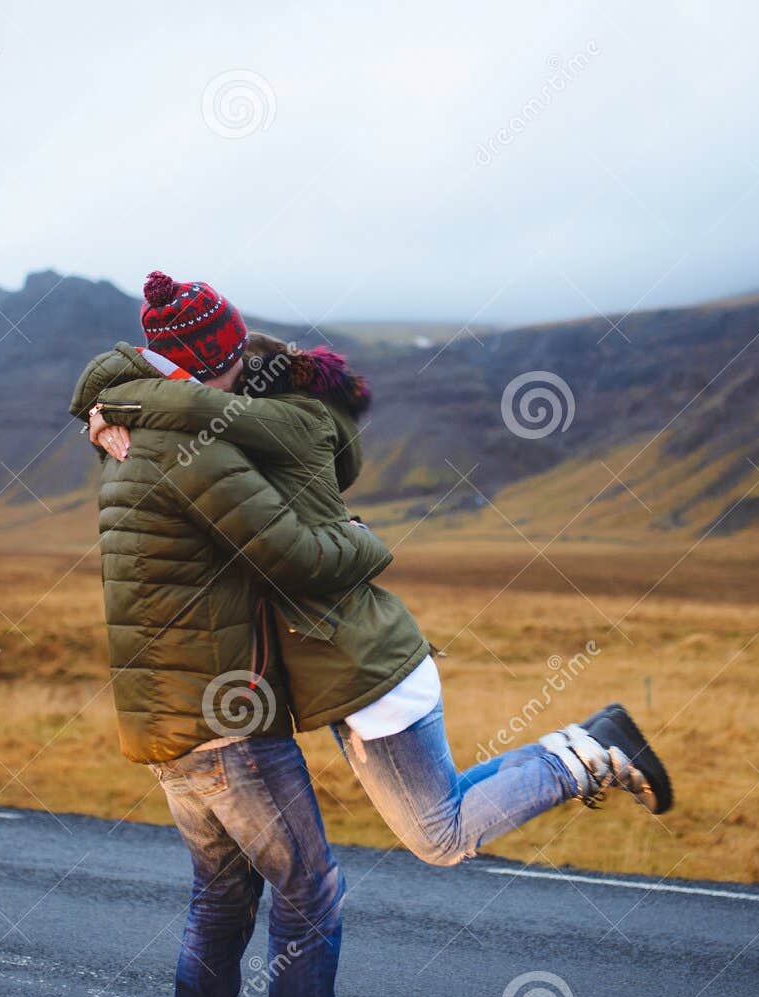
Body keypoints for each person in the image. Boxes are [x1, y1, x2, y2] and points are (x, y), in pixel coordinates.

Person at [86, 272, 674, 874]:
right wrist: (105, 407)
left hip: (365, 667)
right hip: (358, 670)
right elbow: (195, 405)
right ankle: (587, 743)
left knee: (439, 837)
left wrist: (120, 406)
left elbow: (194, 406)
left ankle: (588, 755)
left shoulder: (294, 423)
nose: (219, 386)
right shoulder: (254, 426)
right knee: (448, 801)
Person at [68, 276, 385, 997]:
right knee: (309, 895)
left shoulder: (135, 431)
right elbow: (298, 554)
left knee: (223, 895)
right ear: (224, 357)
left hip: (170, 719)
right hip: (224, 722)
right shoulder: (185, 446)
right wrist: (364, 538)